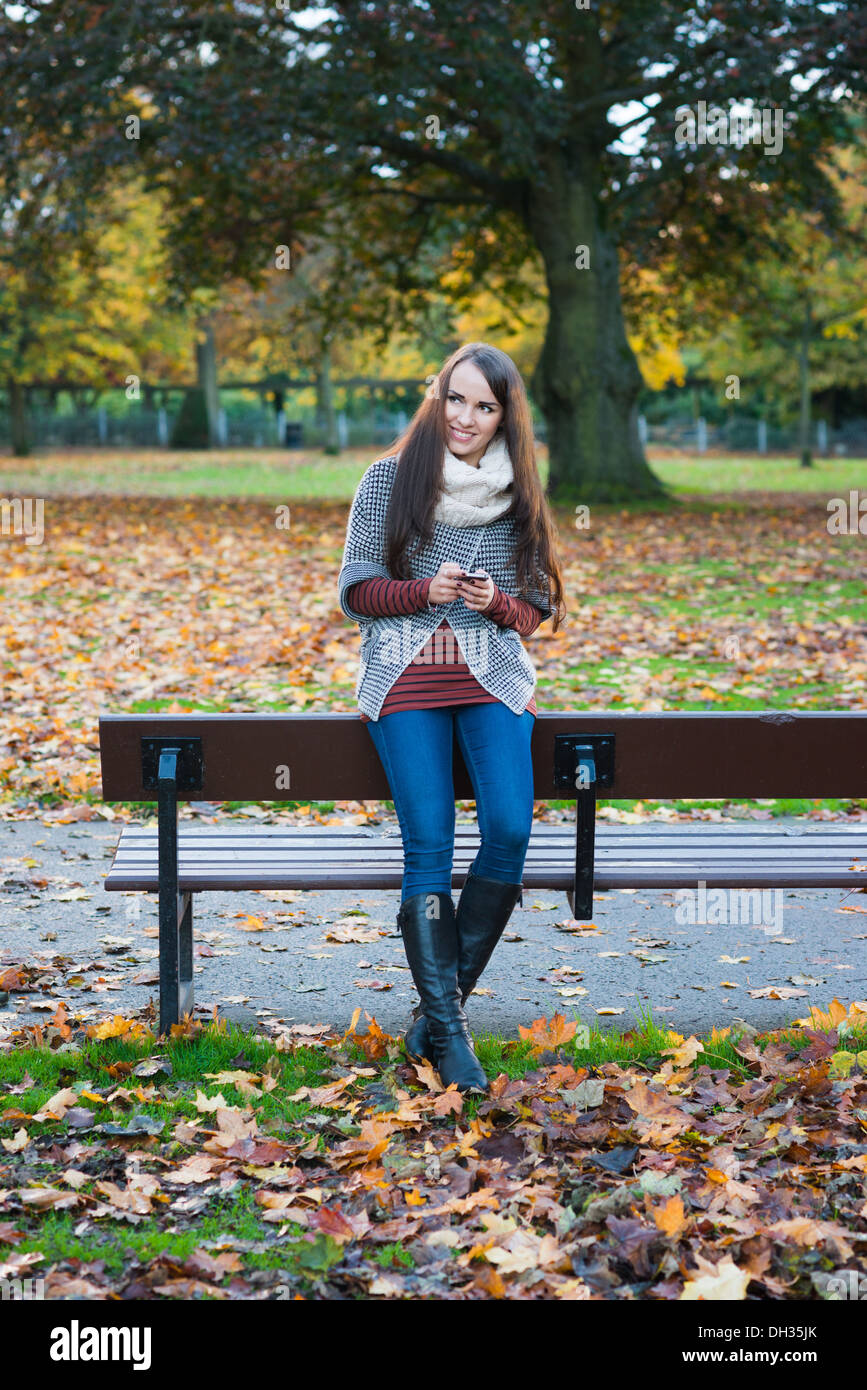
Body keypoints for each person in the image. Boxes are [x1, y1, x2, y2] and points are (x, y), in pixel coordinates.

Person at [337, 342, 566, 1093]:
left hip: (491, 676)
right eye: (456, 398)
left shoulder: (518, 494)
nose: (465, 417)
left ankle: (435, 1021)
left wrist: (492, 604)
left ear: (504, 418)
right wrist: (422, 593)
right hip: (404, 675)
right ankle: (454, 1040)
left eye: (484, 406)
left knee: (508, 829)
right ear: (436, 397)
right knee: (427, 846)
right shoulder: (386, 479)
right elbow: (356, 591)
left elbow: (536, 607)